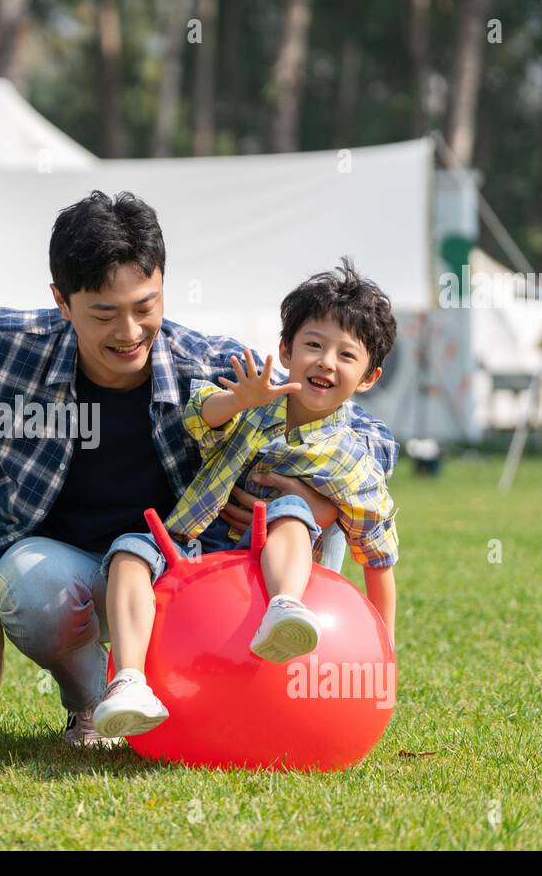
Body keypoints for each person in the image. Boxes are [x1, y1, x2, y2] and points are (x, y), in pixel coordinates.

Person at [0, 193, 398, 748]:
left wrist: (316, 496)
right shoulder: (7, 347)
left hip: (187, 570)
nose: (130, 331)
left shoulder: (206, 361)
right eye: (104, 313)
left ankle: (265, 692)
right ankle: (98, 703)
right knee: (31, 588)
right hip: (72, 575)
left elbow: (360, 428)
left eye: (145, 305)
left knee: (302, 522)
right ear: (62, 302)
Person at [93, 258, 400, 738]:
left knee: (293, 510)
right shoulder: (257, 404)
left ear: (368, 377)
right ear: (285, 349)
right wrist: (237, 399)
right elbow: (200, 418)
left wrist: (384, 648)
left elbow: (378, 554)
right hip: (194, 547)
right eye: (313, 346)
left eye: (346, 355)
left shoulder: (350, 457)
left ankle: (283, 607)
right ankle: (130, 680)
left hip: (273, 572)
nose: (325, 362)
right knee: (129, 553)